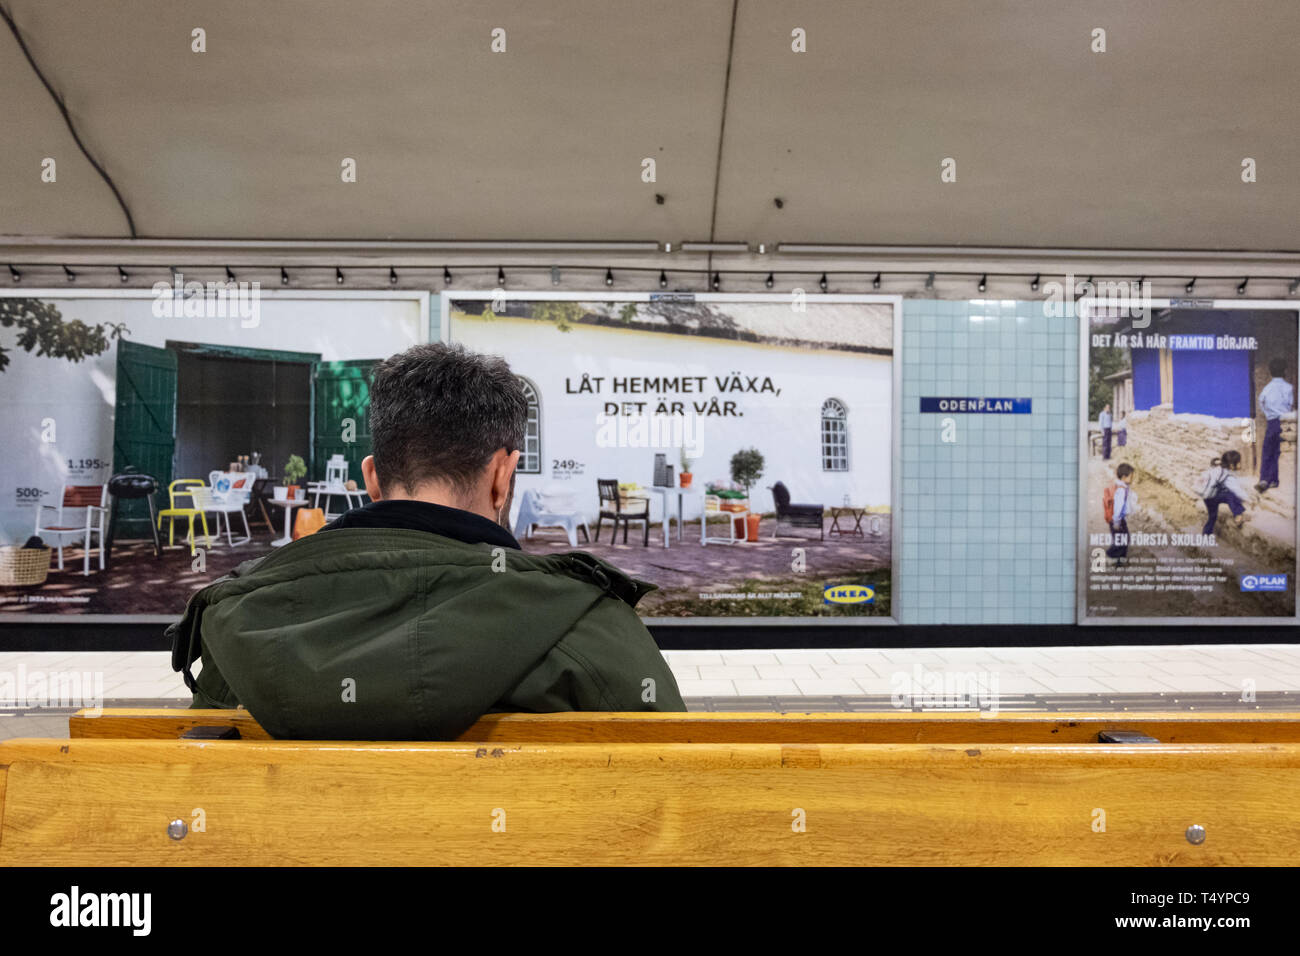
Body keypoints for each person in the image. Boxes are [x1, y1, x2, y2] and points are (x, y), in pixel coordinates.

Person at [169, 343, 686, 739]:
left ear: (372, 480)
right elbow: (674, 791)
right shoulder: (587, 624)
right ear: (502, 478)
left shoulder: (245, 618)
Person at [1256, 356, 1294, 493]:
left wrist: (1268, 413)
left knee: (1268, 451)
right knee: (1278, 451)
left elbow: (1261, 401)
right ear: (1284, 371)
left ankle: (1264, 479)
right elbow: (1290, 405)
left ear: (1270, 372)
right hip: (1285, 422)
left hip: (1272, 422)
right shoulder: (1289, 387)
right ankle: (1274, 480)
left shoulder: (1267, 388)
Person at [1200, 450, 1251, 535]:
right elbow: (1237, 490)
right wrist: (1248, 499)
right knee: (1231, 495)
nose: (1240, 465)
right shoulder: (1227, 476)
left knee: (1212, 517)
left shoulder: (1218, 468)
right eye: (1239, 463)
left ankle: (1206, 535)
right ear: (1231, 465)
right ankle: (1238, 515)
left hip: (1207, 496)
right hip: (1214, 496)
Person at [1105, 463, 1136, 564]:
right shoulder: (1121, 490)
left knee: (1123, 539)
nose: (1132, 479)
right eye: (1131, 477)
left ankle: (1120, 560)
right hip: (1117, 520)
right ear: (1124, 477)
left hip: (1119, 520)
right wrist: (1117, 523)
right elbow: (1118, 508)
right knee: (1123, 540)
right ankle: (1111, 554)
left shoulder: (1120, 485)